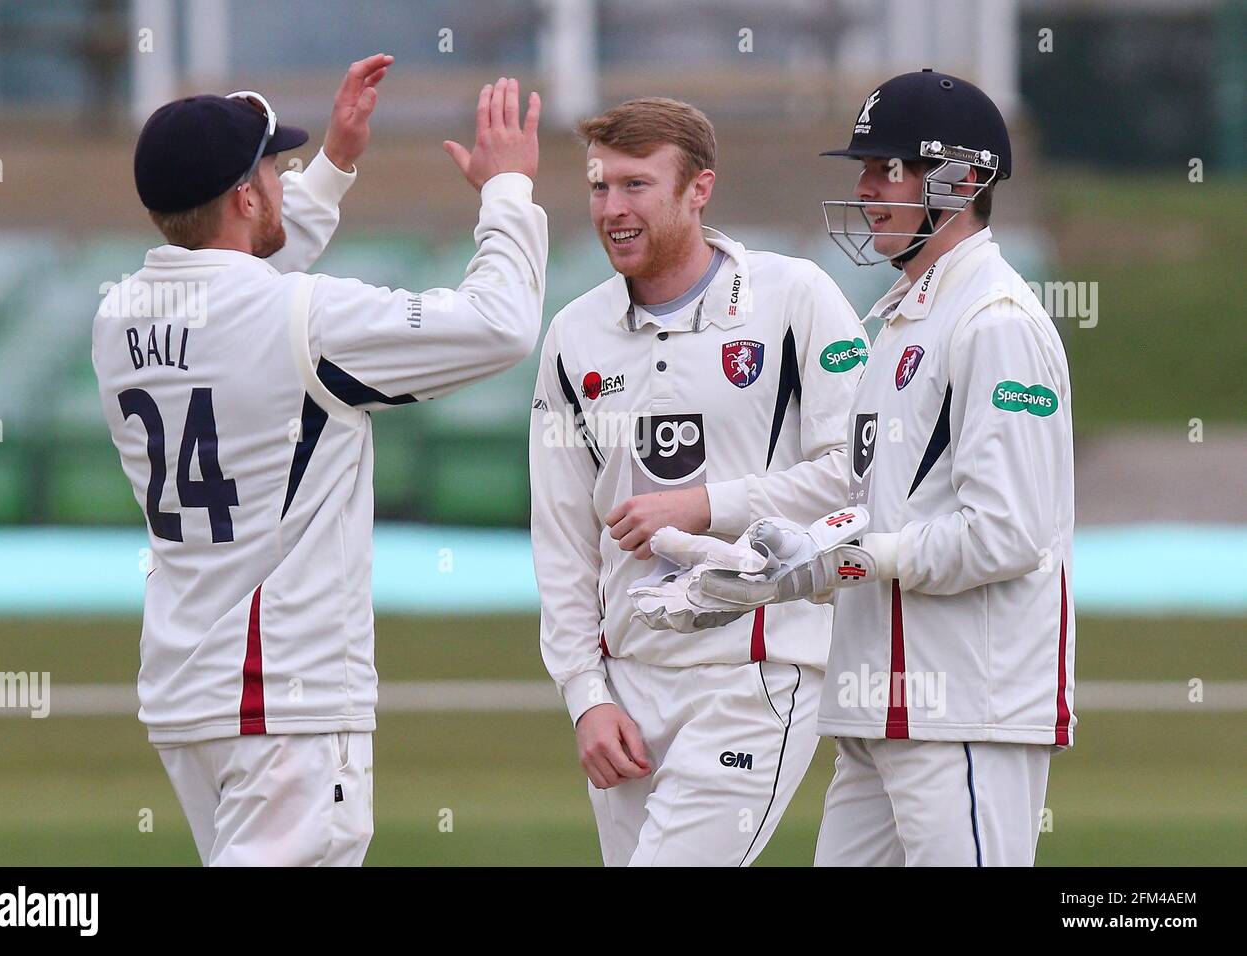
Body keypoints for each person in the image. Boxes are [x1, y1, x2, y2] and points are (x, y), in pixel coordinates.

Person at [93, 61, 547, 866]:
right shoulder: (302, 315)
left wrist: (334, 166)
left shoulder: (117, 314)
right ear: (244, 196)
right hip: (282, 696)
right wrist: (507, 192)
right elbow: (501, 325)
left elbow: (238, 268)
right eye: (274, 169)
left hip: (186, 689)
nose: (281, 179)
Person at [641, 70, 1076, 867]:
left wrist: (849, 560)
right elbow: (870, 509)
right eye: (865, 171)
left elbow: (1009, 533)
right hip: (877, 706)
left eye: (889, 169)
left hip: (963, 711)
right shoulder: (903, 322)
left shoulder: (996, 324)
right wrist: (764, 564)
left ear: (962, 179)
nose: (868, 189)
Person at [528, 97, 863, 865]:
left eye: (636, 185)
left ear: (698, 189)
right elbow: (560, 532)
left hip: (752, 675)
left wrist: (707, 506)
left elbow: (857, 475)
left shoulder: (794, 298)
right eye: (600, 187)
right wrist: (586, 696)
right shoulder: (573, 332)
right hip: (626, 689)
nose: (612, 209)